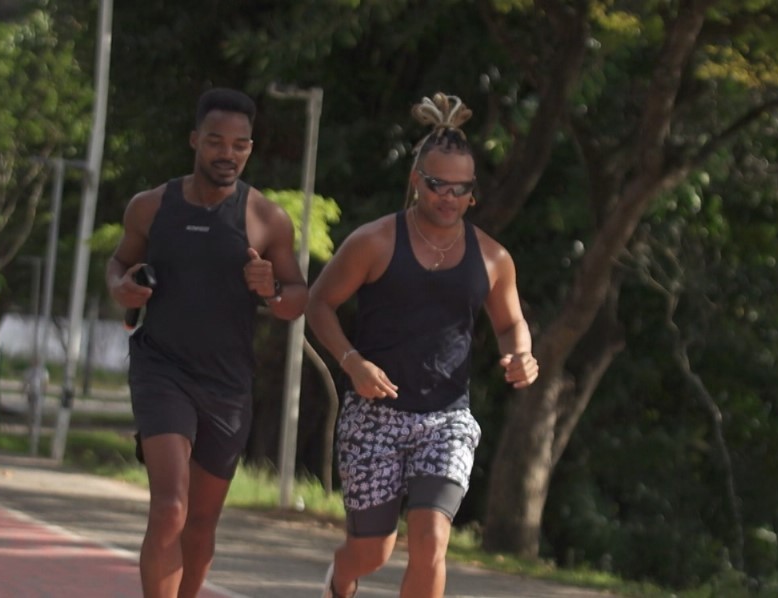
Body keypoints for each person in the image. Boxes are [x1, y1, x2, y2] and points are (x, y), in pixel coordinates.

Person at [305, 92, 540, 598]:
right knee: (372, 551)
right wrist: (352, 362)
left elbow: (511, 322)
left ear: (472, 193)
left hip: (446, 419)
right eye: (437, 185)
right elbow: (319, 304)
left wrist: (521, 353)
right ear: (416, 180)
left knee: (431, 541)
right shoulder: (374, 242)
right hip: (374, 415)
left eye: (461, 189)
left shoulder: (493, 258)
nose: (448, 197)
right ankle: (341, 578)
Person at [105, 87, 307, 598]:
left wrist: (271, 290)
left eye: (239, 145)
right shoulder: (151, 206)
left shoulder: (267, 218)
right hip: (161, 368)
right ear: (195, 140)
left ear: (250, 149)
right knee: (170, 507)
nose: (227, 154)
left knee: (200, 523)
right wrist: (121, 287)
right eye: (216, 141)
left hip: (227, 382)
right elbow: (119, 262)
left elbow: (296, 299)